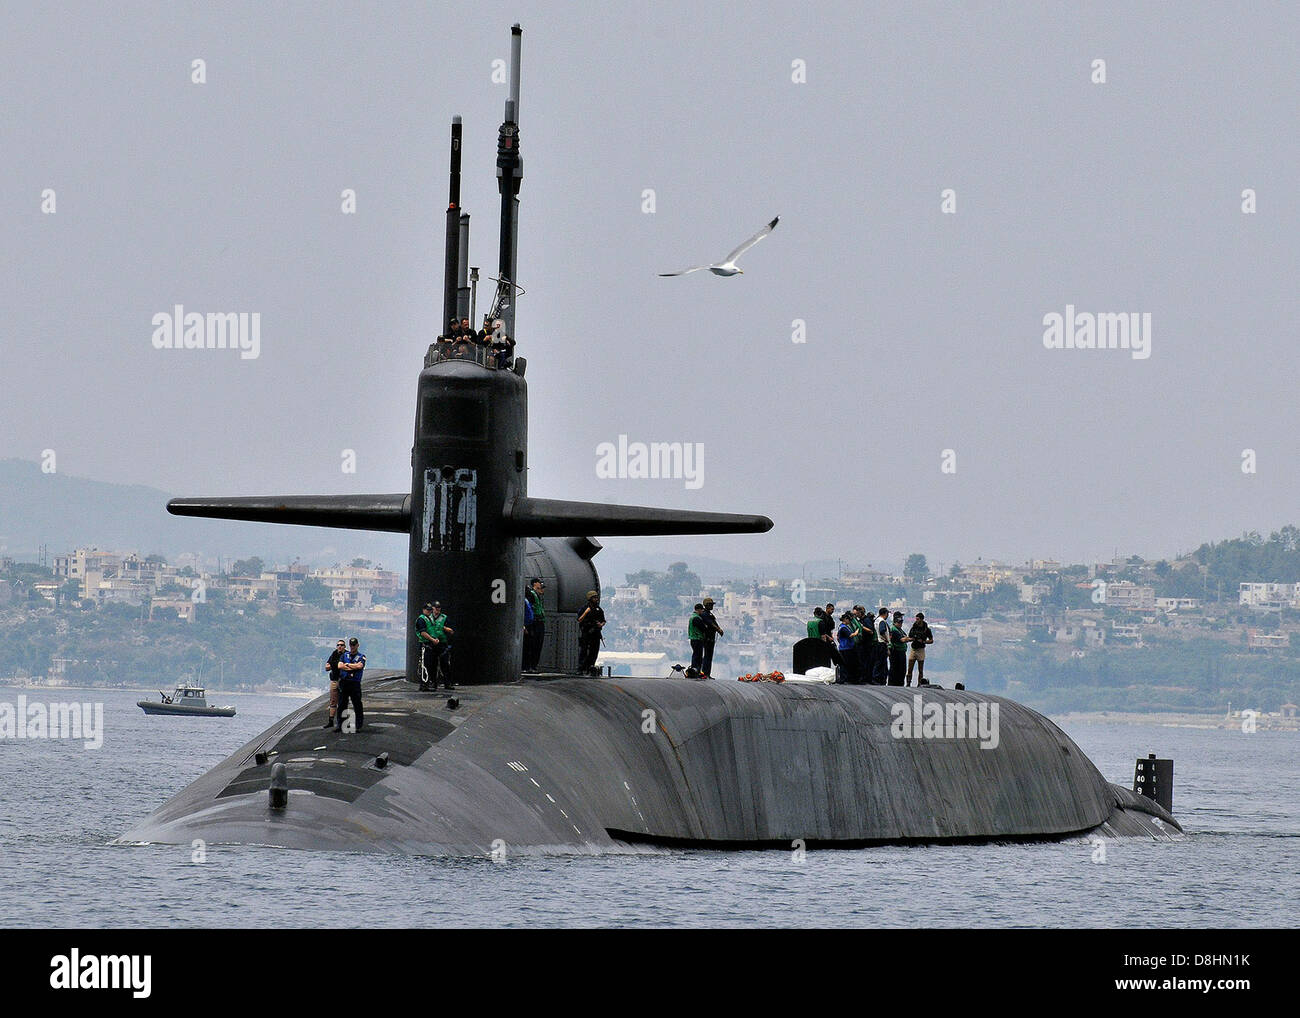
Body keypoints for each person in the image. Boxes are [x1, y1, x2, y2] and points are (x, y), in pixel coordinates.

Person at [335, 638, 365, 733]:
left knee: (357, 704)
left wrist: (347, 665)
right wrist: (353, 666)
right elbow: (339, 666)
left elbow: (360, 666)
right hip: (344, 683)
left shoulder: (361, 656)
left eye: (354, 645)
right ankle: (340, 725)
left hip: (354, 683)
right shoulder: (344, 655)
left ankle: (358, 726)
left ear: (357, 645)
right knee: (342, 704)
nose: (352, 647)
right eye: (351, 645)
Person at [577, 590, 605, 675]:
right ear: (590, 598)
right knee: (584, 651)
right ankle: (581, 668)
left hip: (596, 633)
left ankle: (590, 667)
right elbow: (579, 619)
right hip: (586, 632)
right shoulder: (584, 608)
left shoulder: (599, 609)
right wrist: (586, 612)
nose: (596, 599)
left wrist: (601, 624)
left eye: (597, 597)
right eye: (594, 598)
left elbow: (603, 620)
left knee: (594, 651)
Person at [523, 577, 546, 672]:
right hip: (534, 623)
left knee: (537, 645)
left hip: (539, 622)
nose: (541, 586)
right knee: (532, 645)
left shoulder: (537, 596)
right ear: (535, 584)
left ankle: (533, 666)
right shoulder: (531, 595)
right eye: (539, 584)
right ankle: (528, 666)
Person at [907, 611, 934, 686]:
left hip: (921, 650)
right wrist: (912, 639)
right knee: (910, 668)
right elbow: (910, 637)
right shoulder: (913, 627)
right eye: (916, 619)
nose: (916, 621)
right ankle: (908, 682)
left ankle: (919, 684)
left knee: (920, 670)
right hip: (913, 649)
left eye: (918, 619)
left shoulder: (926, 629)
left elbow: (931, 640)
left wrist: (924, 642)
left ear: (922, 619)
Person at [415, 602, 438, 691]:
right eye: (427, 610)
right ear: (423, 610)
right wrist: (432, 640)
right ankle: (424, 685)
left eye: (430, 610)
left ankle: (429, 683)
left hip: (431, 645)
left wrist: (435, 639)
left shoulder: (430, 619)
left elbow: (432, 631)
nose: (429, 612)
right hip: (425, 645)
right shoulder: (421, 619)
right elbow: (423, 633)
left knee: (431, 665)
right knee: (425, 665)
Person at [699, 597, 723, 678]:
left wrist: (718, 628)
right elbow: (710, 623)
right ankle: (705, 673)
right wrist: (718, 629)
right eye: (710, 605)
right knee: (707, 656)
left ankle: (707, 673)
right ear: (706, 605)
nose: (712, 606)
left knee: (709, 656)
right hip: (707, 637)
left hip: (711, 637)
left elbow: (714, 622)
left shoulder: (710, 614)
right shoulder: (704, 614)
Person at [323, 639, 345, 727]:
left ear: (344, 646)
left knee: (342, 702)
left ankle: (341, 722)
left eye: (342, 645)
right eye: (338, 645)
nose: (339, 646)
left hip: (343, 681)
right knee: (333, 701)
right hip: (334, 681)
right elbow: (326, 667)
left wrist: (334, 665)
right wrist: (337, 665)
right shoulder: (334, 654)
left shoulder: (346, 655)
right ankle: (331, 721)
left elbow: (345, 666)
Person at [888, 611, 910, 687]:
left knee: (902, 670)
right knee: (895, 669)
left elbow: (905, 637)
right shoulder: (894, 629)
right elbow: (902, 639)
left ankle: (899, 683)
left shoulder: (899, 629)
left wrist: (907, 638)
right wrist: (909, 639)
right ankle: (894, 683)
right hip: (896, 652)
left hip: (901, 651)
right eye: (900, 622)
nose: (901, 623)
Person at [836, 612, 857, 683]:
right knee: (846, 663)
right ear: (845, 619)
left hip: (843, 647)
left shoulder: (841, 626)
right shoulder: (844, 628)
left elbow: (838, 638)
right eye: (848, 620)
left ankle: (844, 678)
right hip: (846, 648)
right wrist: (856, 632)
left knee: (844, 663)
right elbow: (850, 635)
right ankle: (845, 678)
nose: (849, 621)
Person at [872, 607, 891, 684]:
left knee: (879, 662)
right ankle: (876, 678)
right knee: (880, 662)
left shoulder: (876, 620)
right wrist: (886, 640)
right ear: (885, 613)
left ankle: (879, 678)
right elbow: (882, 631)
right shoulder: (882, 621)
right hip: (881, 643)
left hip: (877, 643)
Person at [688, 603, 707, 675]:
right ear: (699, 610)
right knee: (697, 655)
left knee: (696, 654)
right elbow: (703, 628)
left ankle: (695, 669)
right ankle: (695, 669)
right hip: (697, 639)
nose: (702, 612)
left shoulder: (692, 617)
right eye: (702, 610)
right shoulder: (696, 618)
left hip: (693, 639)